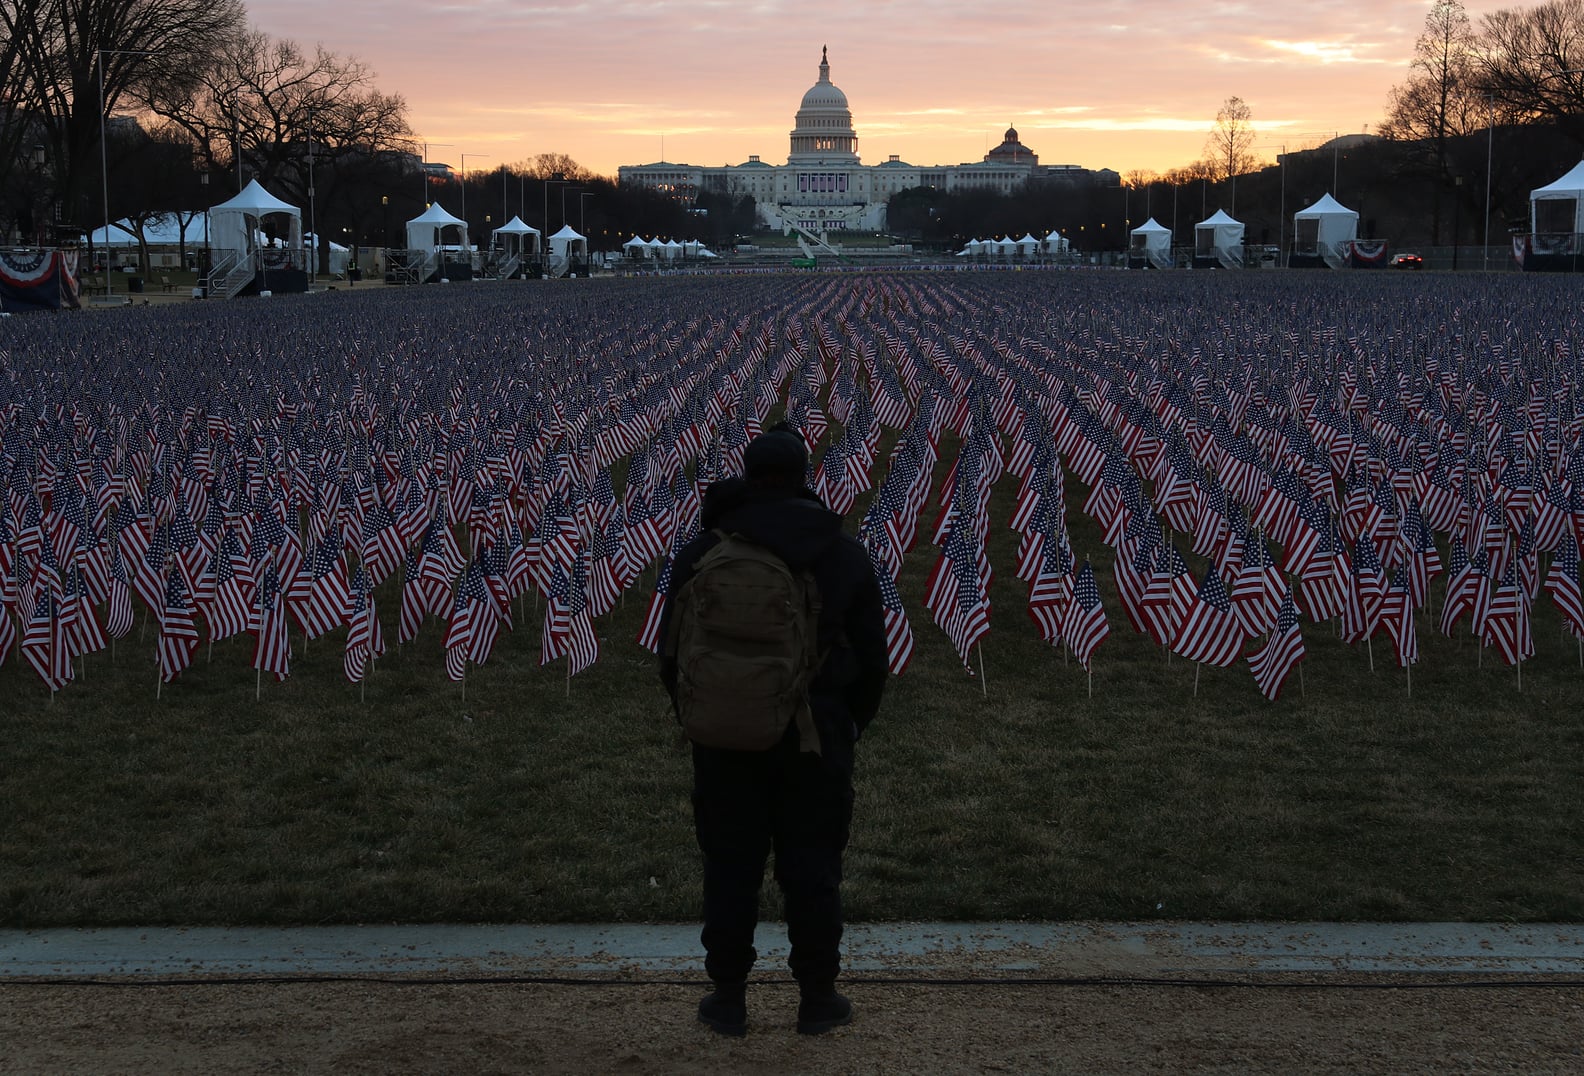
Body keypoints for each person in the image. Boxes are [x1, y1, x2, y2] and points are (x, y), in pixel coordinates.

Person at [659, 424, 888, 1036]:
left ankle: (728, 997)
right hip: (815, 737)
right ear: (802, 474)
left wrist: (710, 713)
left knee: (730, 867)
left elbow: (670, 652)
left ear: (749, 474)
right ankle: (817, 998)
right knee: (812, 870)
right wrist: (844, 725)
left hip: (725, 736)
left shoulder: (705, 548)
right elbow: (873, 659)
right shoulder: (839, 551)